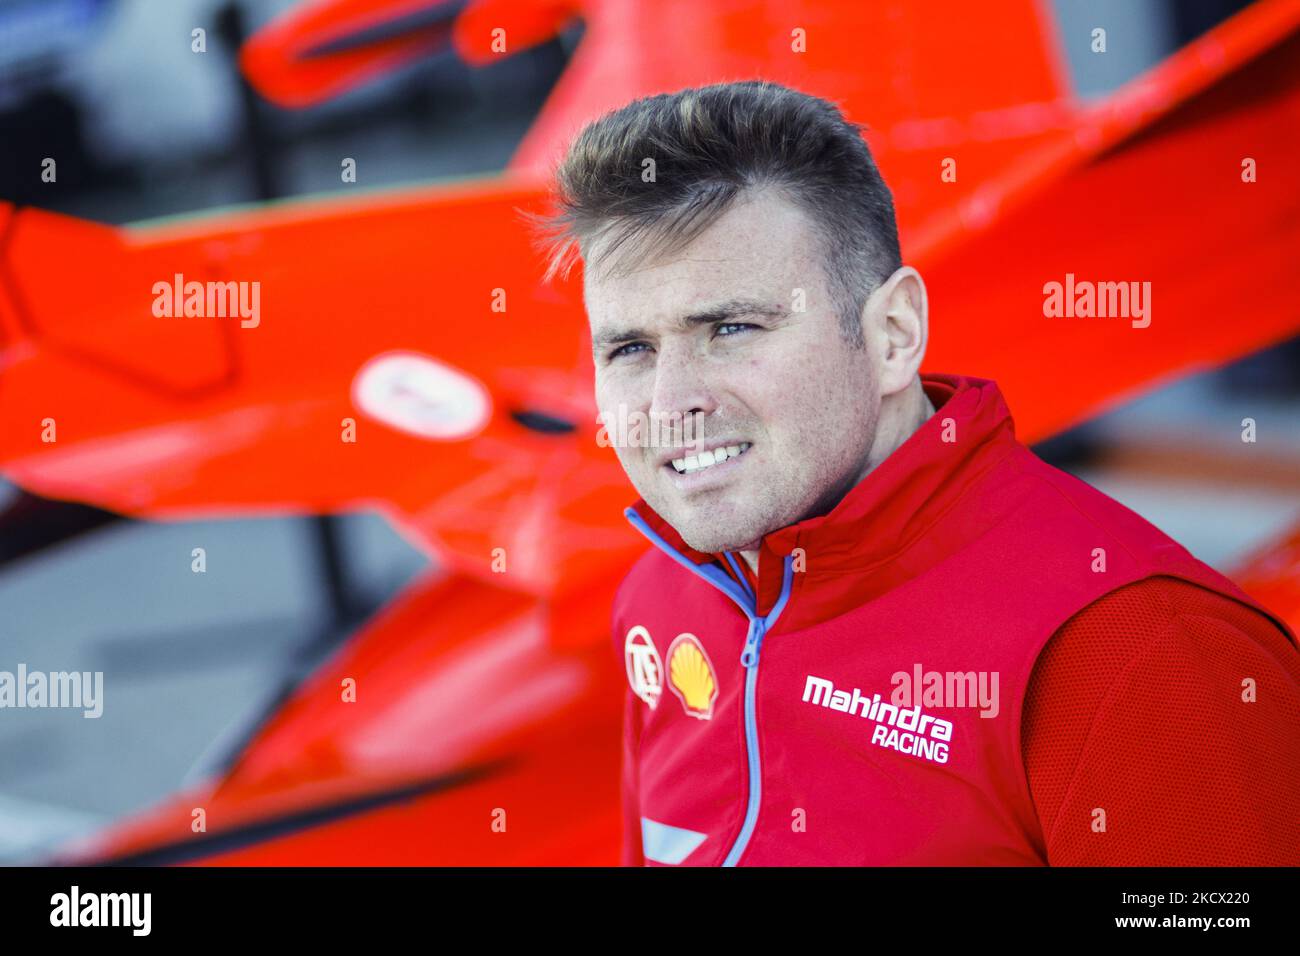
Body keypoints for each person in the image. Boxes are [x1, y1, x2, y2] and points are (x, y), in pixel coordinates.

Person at [529, 80, 1300, 865]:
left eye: (730, 328)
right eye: (630, 349)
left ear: (894, 334)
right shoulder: (663, 596)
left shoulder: (1145, 656)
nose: (670, 404)